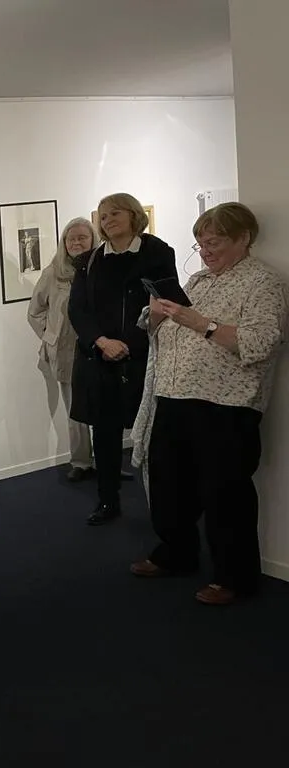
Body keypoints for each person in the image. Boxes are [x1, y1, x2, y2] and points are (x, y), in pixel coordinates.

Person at [131, 203, 287, 605]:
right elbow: (166, 332)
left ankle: (234, 578)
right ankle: (175, 554)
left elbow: (259, 343)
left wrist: (198, 322)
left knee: (225, 496)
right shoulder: (198, 280)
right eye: (200, 243)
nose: (205, 250)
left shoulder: (263, 283)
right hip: (174, 395)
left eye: (214, 242)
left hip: (226, 405)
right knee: (169, 488)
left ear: (243, 239)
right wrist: (156, 316)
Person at [68, 193, 177, 525]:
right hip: (99, 359)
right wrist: (102, 342)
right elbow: (78, 309)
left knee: (155, 435)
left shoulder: (158, 252)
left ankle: (164, 507)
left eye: (115, 213)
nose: (107, 220)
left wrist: (129, 342)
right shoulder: (88, 261)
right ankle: (107, 501)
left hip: (143, 356)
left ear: (134, 216)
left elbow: (167, 300)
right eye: (102, 216)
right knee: (104, 434)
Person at [27, 218, 98, 481]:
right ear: (64, 243)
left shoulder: (101, 270)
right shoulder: (53, 273)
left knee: (103, 409)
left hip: (99, 349)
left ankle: (106, 460)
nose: (77, 243)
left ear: (93, 240)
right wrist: (51, 336)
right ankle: (81, 462)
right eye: (71, 239)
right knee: (75, 410)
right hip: (67, 353)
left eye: (82, 237)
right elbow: (34, 312)